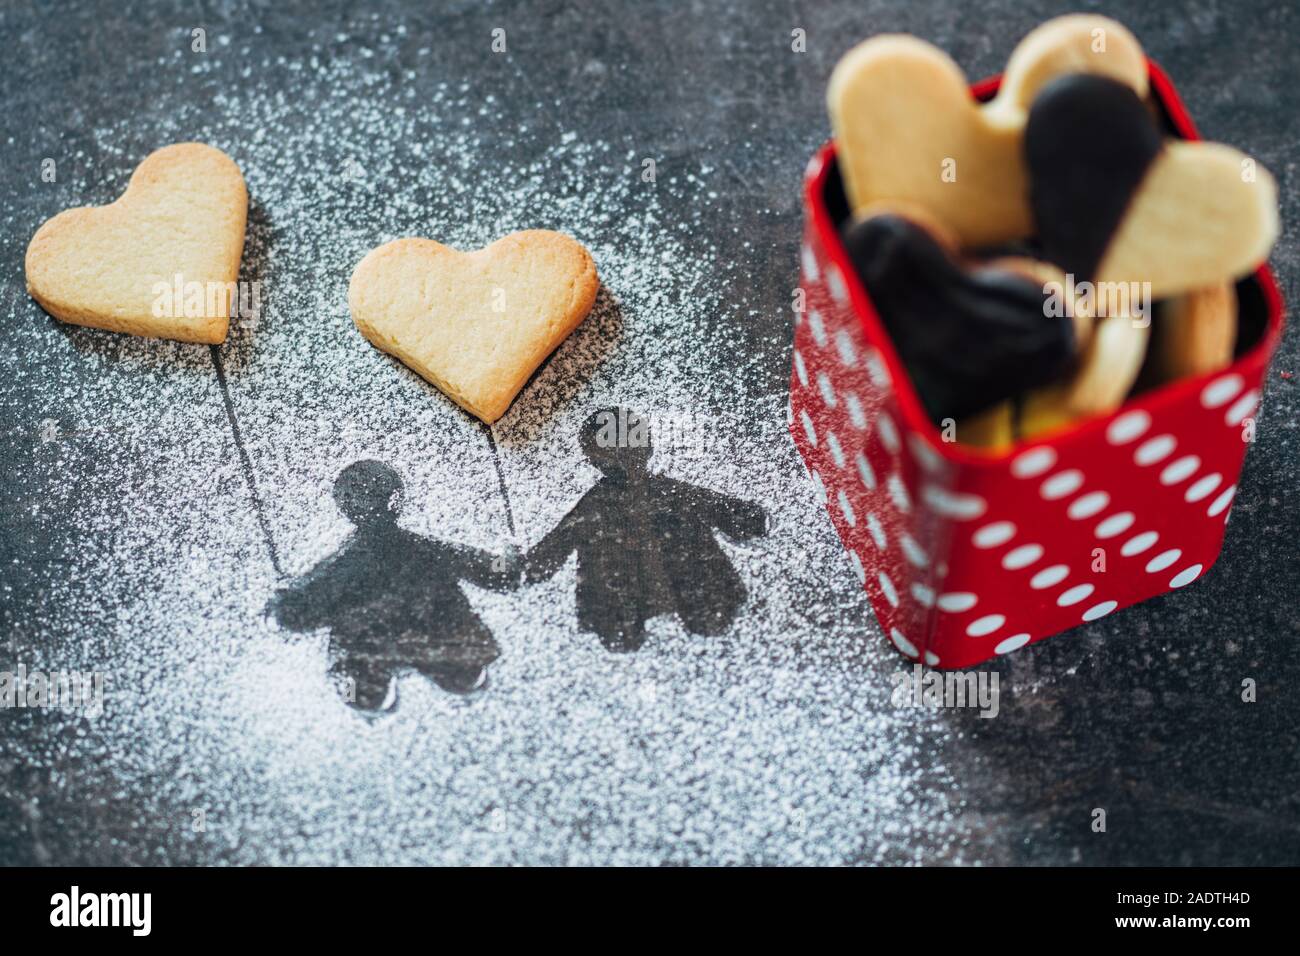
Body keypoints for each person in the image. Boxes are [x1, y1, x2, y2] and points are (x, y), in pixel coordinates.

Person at [268, 460, 518, 710]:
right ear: (397, 500)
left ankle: (370, 685)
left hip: (380, 640)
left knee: (362, 694)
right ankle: (452, 669)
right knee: (459, 676)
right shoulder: (427, 554)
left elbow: (294, 617)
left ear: (346, 508)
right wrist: (506, 563)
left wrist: (287, 605)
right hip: (426, 636)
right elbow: (493, 571)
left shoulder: (343, 573)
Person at [525, 407, 767, 651]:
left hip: (680, 618)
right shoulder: (666, 495)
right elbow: (744, 519)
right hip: (666, 620)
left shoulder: (661, 496)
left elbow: (540, 561)